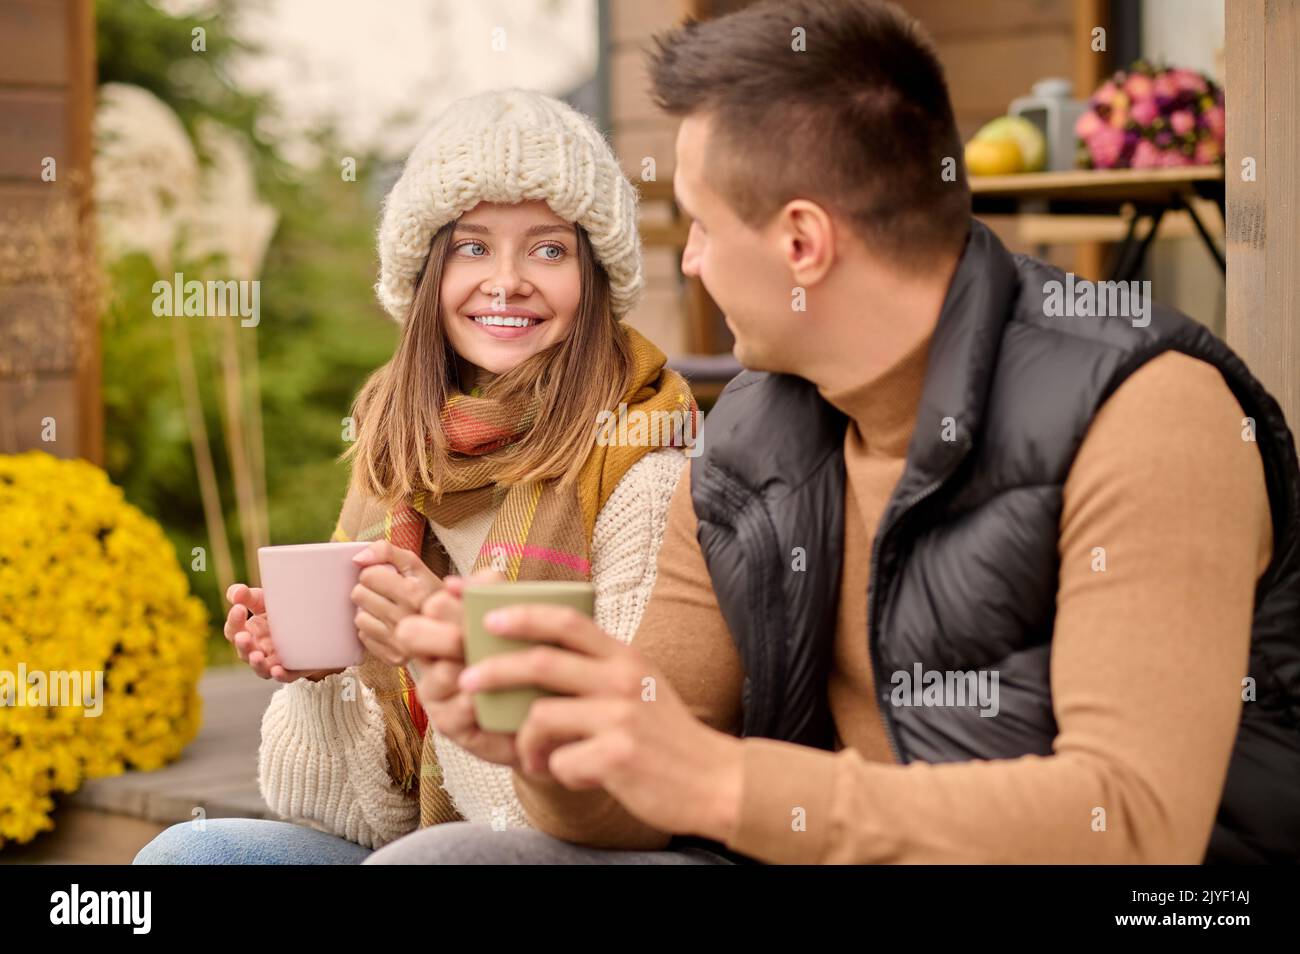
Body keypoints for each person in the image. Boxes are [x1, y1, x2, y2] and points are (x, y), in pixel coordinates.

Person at [375, 0, 1300, 864]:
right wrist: (550, 737)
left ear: (802, 244)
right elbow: (644, 789)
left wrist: (724, 781)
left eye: (698, 226)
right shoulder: (744, 442)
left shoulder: (1151, 413)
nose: (689, 264)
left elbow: (1131, 823)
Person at [133, 88, 713, 864]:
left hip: (591, 845)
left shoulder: (643, 474)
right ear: (426, 276)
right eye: (473, 247)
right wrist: (322, 673)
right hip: (420, 848)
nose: (506, 281)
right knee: (194, 855)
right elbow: (347, 817)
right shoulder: (397, 466)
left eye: (548, 249)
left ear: (596, 278)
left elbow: (567, 808)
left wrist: (443, 648)